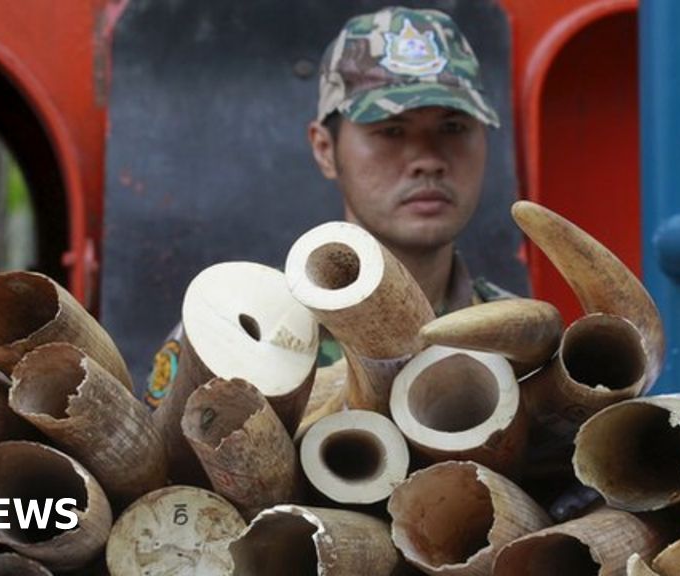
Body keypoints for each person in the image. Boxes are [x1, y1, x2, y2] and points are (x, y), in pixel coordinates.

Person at [145, 6, 511, 406]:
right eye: (391, 130)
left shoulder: (522, 347)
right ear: (324, 149)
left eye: (453, 127)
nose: (428, 159)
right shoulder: (238, 334)